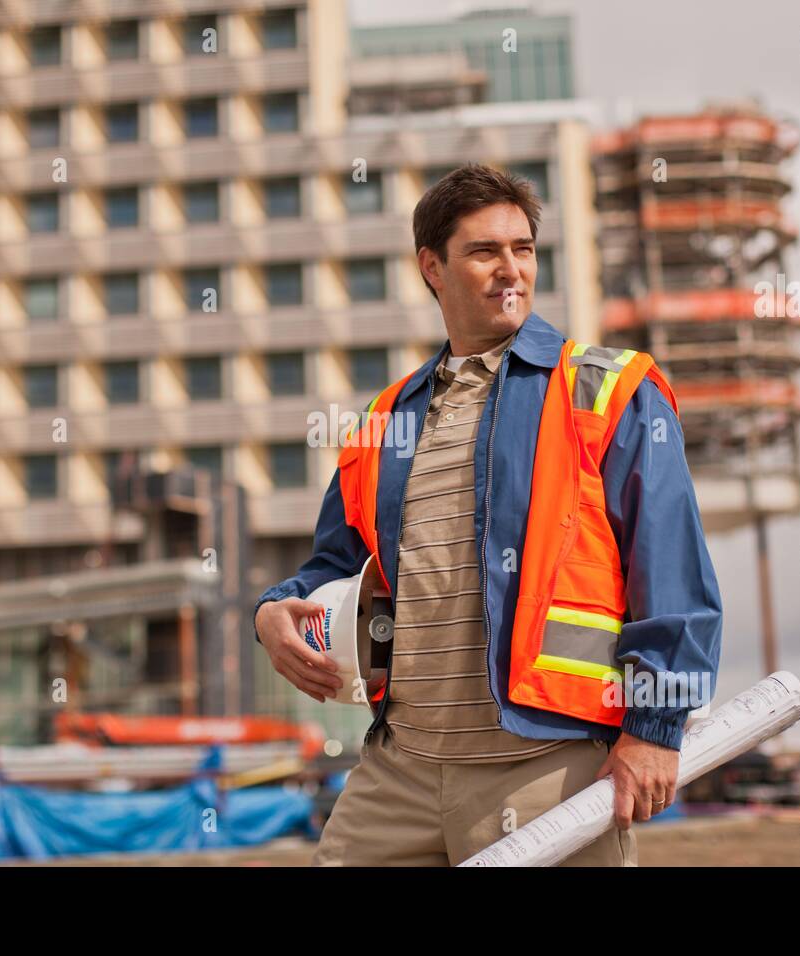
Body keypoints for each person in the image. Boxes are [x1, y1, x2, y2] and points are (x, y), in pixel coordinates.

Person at [254, 163, 722, 866]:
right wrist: (272, 612)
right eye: (485, 252)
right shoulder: (385, 421)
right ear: (431, 267)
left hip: (544, 764)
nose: (511, 270)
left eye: (523, 249)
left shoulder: (605, 391)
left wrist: (655, 728)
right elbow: (335, 564)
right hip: (399, 769)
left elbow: (673, 573)